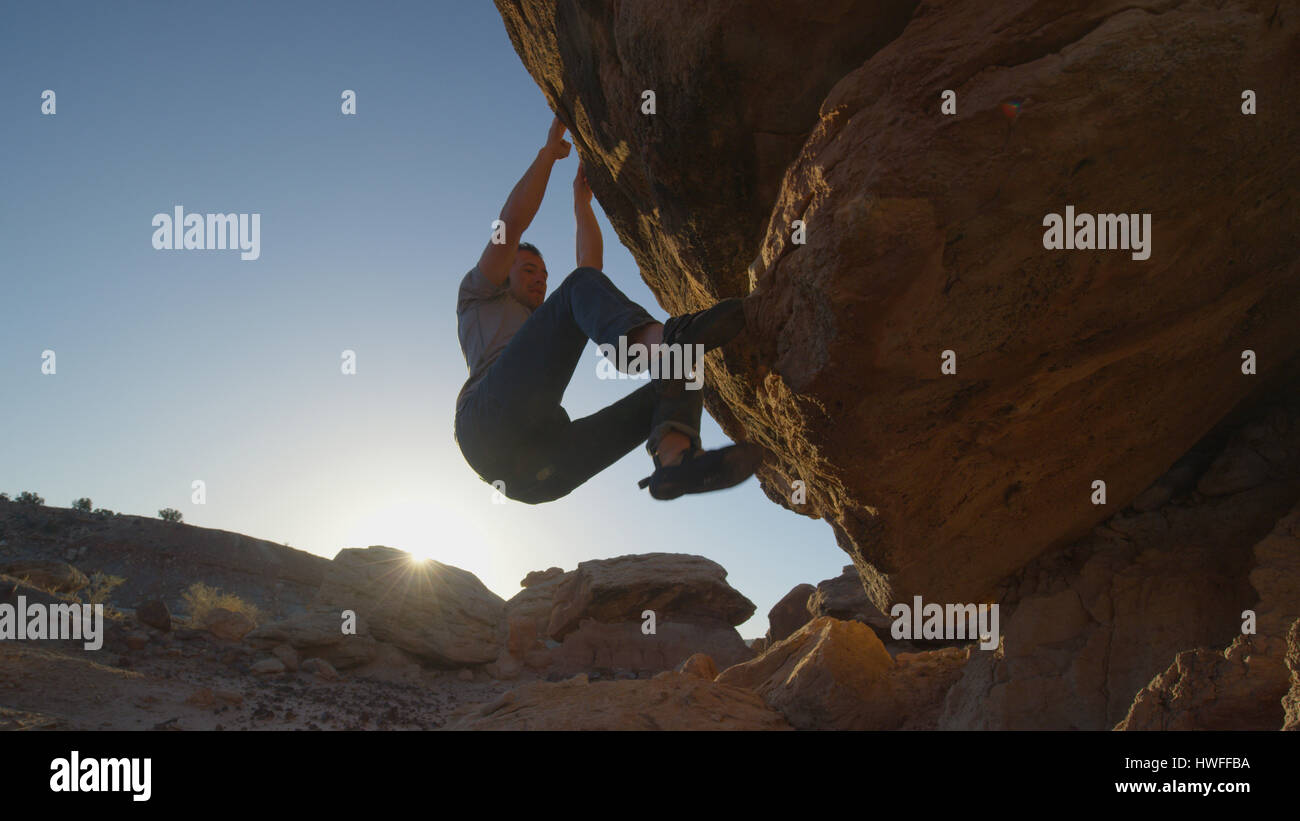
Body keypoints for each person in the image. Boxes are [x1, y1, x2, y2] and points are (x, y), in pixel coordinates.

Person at [453, 117, 762, 503]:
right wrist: (548, 154)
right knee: (663, 342)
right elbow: (511, 226)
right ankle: (667, 343)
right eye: (528, 269)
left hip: (539, 476)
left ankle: (676, 457)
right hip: (485, 426)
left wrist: (582, 205)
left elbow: (589, 270)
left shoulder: (543, 328)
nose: (540, 279)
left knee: (681, 370)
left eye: (544, 274)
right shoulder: (479, 296)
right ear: (502, 273)